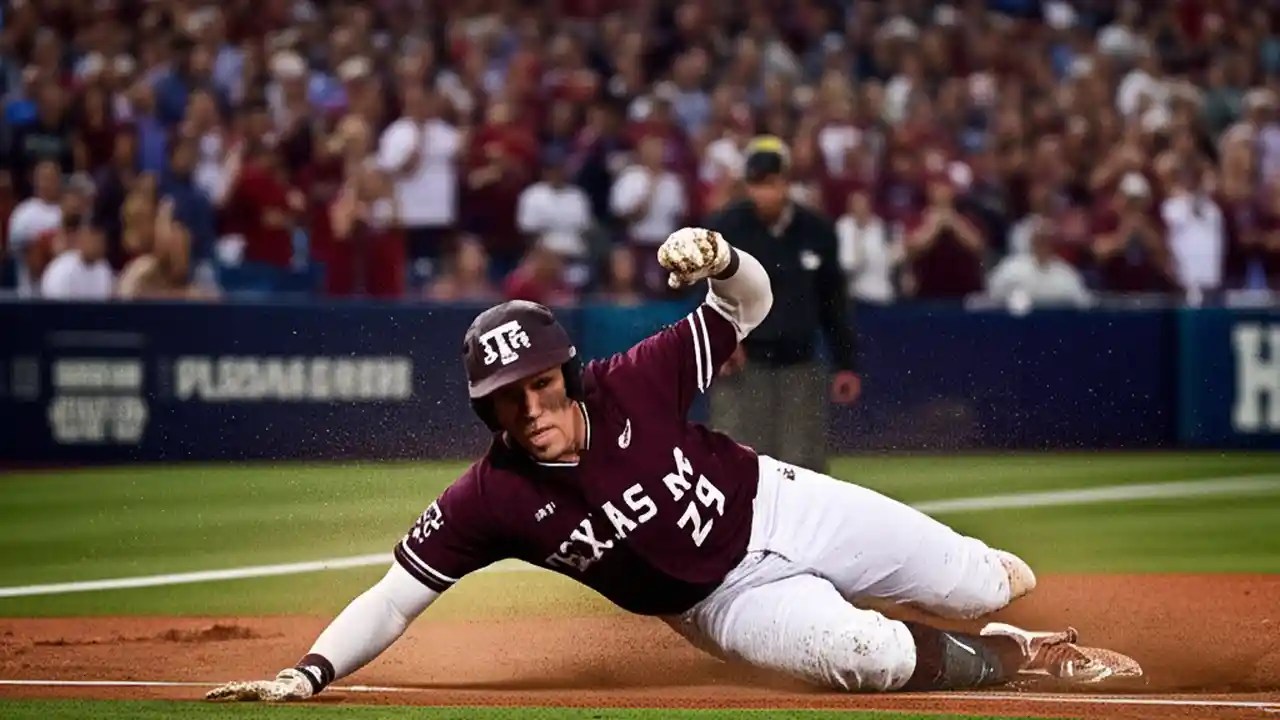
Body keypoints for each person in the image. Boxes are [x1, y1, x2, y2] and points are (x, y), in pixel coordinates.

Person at [206, 228, 1139, 703]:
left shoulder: (631, 383)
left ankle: (994, 614)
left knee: (987, 577)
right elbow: (393, 597)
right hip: (721, 602)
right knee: (866, 656)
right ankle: (1013, 663)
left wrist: (724, 259)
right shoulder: (489, 498)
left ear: (564, 374)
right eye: (504, 400)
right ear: (485, 409)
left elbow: (753, 307)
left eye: (537, 387)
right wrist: (309, 674)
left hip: (781, 507)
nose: (526, 410)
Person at [703, 136, 859, 473]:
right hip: (745, 365)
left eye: (771, 183)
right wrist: (724, 340)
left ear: (786, 183)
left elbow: (833, 302)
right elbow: (708, 294)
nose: (764, 193)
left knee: (802, 470)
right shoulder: (727, 228)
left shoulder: (817, 231)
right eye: (756, 184)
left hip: (800, 364)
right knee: (736, 463)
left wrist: (846, 362)